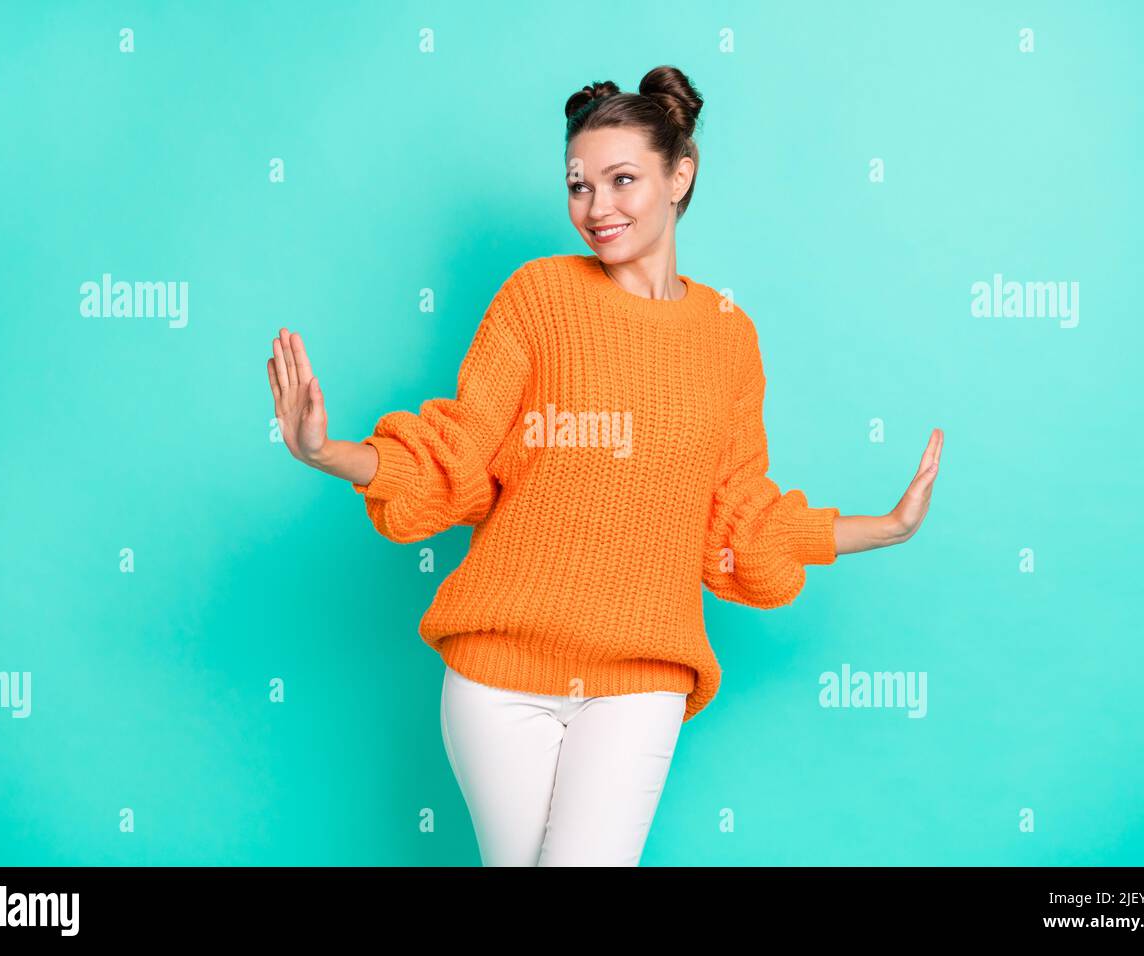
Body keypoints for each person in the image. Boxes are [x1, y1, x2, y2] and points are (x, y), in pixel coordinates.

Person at [266, 65, 942, 867]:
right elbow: (461, 451)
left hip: (641, 673)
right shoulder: (538, 296)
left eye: (623, 180)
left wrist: (883, 528)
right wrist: (327, 452)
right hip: (497, 676)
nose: (597, 207)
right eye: (579, 185)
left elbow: (736, 516)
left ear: (679, 174)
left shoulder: (728, 337)